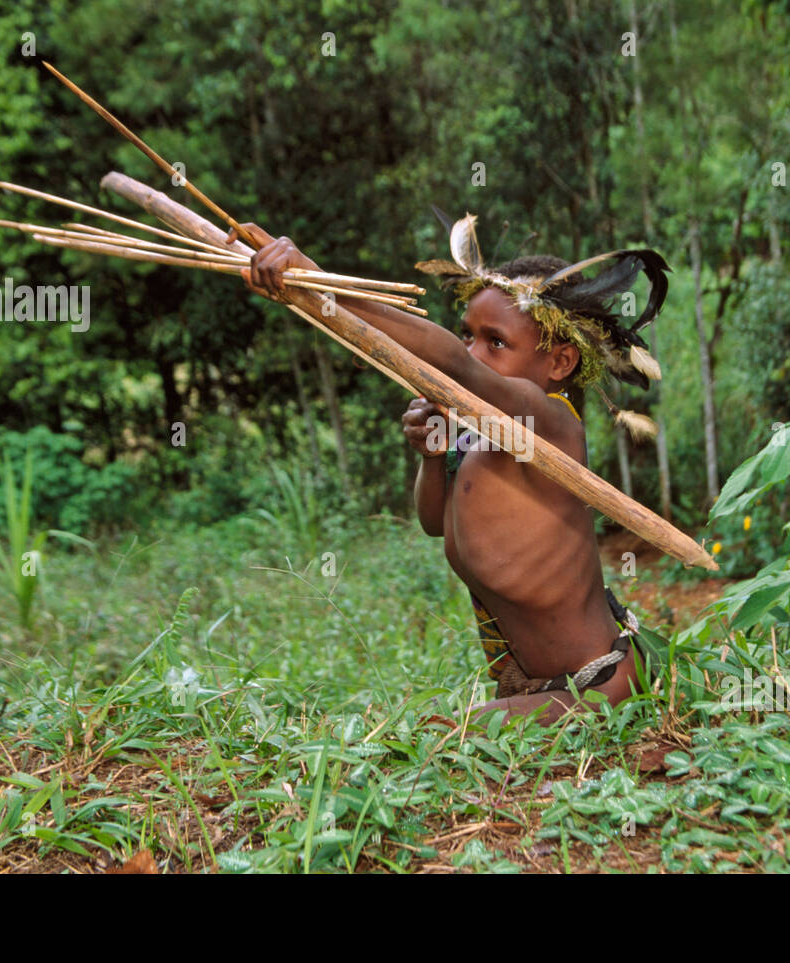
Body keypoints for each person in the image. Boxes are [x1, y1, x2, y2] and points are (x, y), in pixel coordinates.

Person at [230, 213, 669, 723]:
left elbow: (455, 367)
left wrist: (321, 284)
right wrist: (433, 458)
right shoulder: (472, 431)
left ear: (559, 364)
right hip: (541, 685)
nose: (474, 352)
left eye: (496, 342)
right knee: (452, 730)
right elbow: (434, 522)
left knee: (445, 732)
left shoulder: (552, 425)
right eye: (468, 335)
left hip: (600, 684)